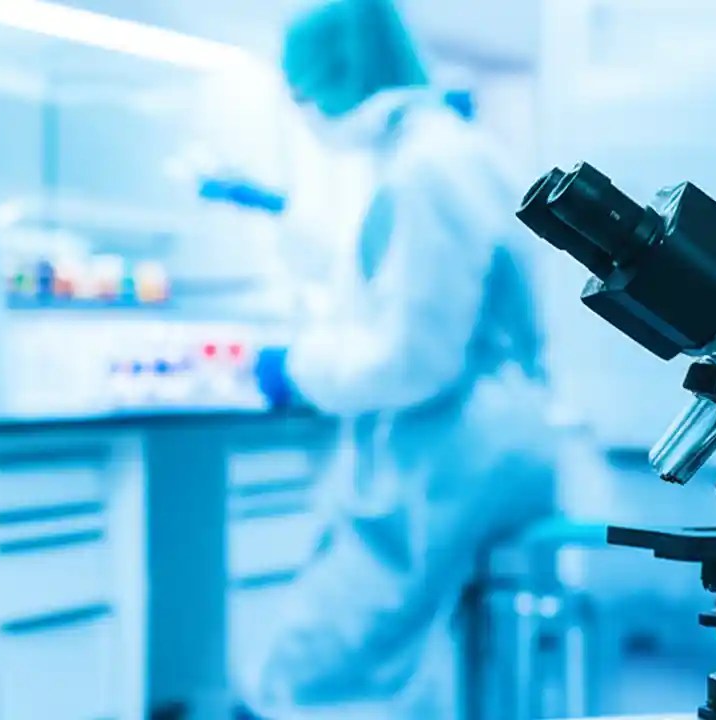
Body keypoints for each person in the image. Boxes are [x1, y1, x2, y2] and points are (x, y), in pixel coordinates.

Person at [245, 0, 556, 716]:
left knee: (310, 669)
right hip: (492, 442)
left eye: (301, 94)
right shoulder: (455, 153)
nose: (304, 112)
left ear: (335, 79)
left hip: (451, 451)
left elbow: (414, 360)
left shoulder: (426, 169)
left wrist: (295, 368)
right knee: (417, 668)